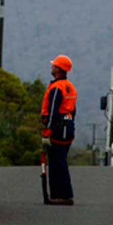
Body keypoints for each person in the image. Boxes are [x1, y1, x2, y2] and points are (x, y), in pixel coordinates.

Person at [41, 54, 77, 205]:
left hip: (58, 128)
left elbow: (53, 110)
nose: (52, 67)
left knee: (57, 162)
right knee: (60, 160)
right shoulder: (70, 87)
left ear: (58, 69)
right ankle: (60, 195)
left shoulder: (57, 88)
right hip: (68, 127)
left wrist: (48, 129)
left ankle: (62, 195)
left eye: (54, 65)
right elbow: (73, 110)